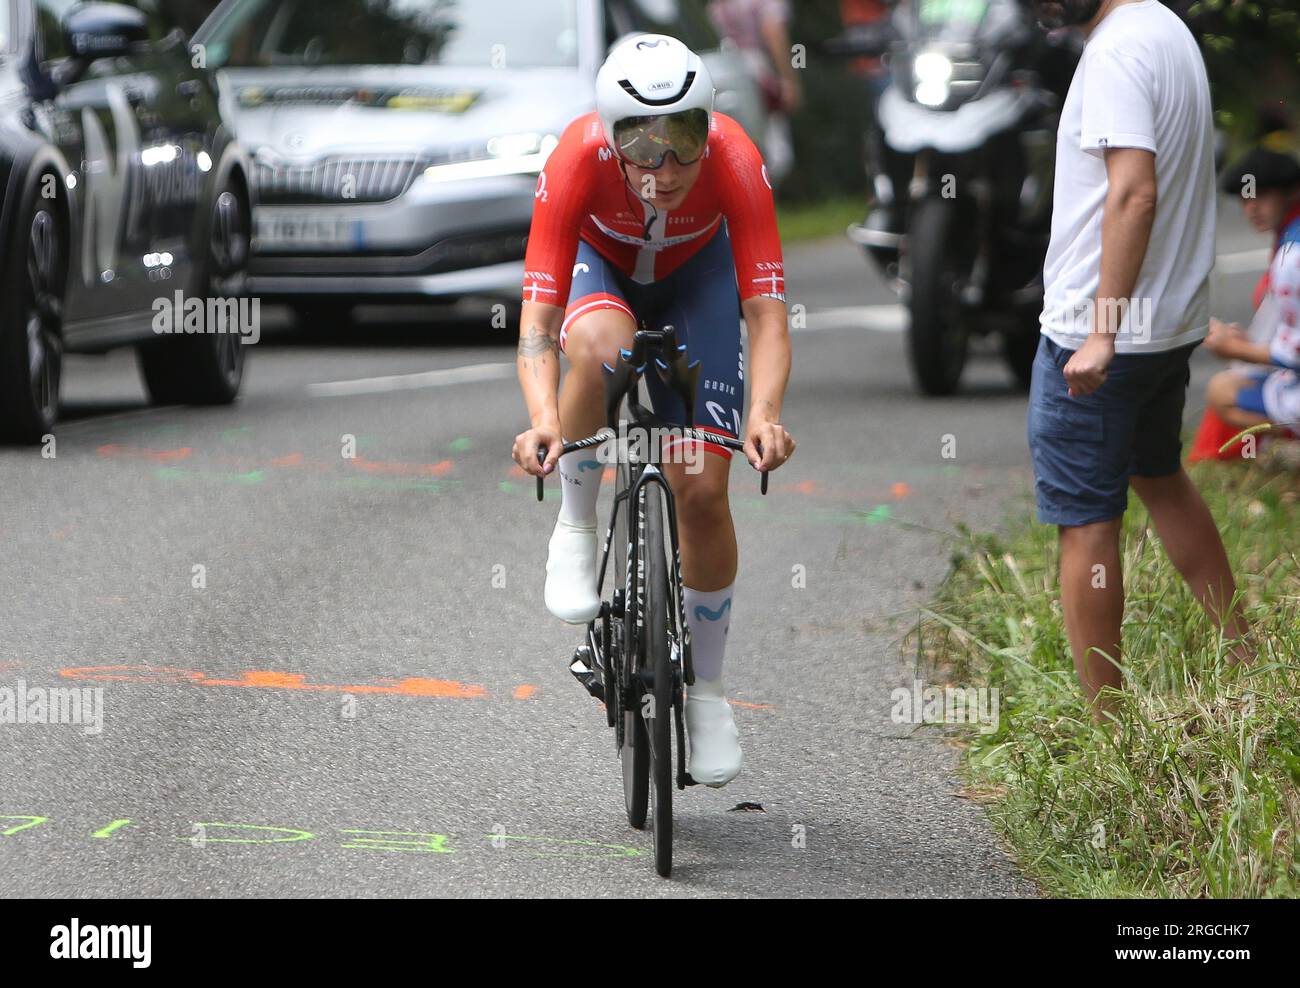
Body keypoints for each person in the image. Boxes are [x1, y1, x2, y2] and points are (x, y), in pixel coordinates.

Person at [511, 35, 795, 786]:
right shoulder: (575, 159)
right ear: (611, 137)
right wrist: (545, 418)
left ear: (710, 128)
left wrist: (764, 414)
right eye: (641, 145)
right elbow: (539, 324)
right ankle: (576, 522)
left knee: (701, 489)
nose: (663, 170)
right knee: (600, 344)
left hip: (697, 281)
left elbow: (766, 316)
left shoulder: (736, 161)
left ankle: (709, 694)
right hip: (601, 274)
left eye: (684, 142)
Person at [1024, 0, 1252, 715]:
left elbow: (1134, 192)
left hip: (1100, 337)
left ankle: (1110, 729)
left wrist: (1101, 332)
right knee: (1159, 476)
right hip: (1164, 327)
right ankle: (1246, 656)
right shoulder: (1166, 29)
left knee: (1087, 522)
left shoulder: (1116, 51)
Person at [1202, 147, 1300, 433]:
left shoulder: (1292, 256)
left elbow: (1294, 355)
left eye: (1262, 195)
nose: (1251, 208)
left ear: (1292, 191)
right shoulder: (1289, 238)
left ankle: (1286, 447)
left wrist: (1236, 349)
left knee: (1222, 389)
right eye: (1245, 198)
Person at [707, 0, 802, 187]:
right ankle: (760, 195)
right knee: (775, 150)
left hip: (719, 67)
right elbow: (773, 32)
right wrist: (789, 79)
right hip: (756, 68)